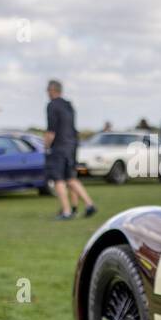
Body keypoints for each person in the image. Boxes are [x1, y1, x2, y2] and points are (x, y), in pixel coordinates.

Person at [43, 80, 94, 220]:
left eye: (47, 90)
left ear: (53, 90)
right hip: (72, 145)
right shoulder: (69, 105)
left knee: (58, 179)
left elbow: (51, 130)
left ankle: (66, 211)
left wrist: (46, 146)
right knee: (71, 178)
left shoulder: (52, 106)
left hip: (59, 147)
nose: (46, 93)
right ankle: (86, 205)